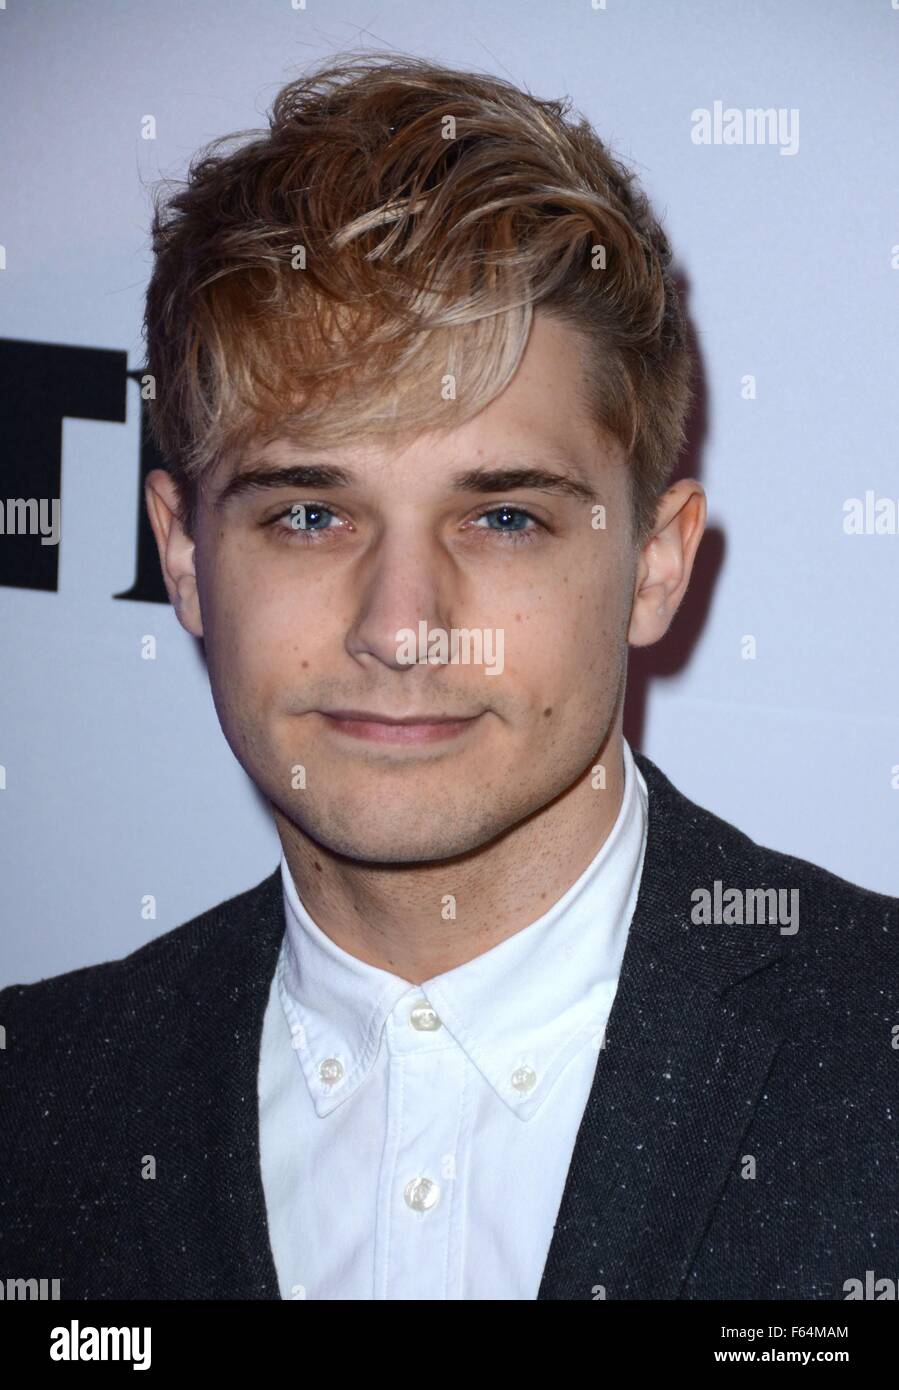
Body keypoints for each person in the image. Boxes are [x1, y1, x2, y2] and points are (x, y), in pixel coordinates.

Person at [2, 52, 896, 1302]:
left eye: (505, 519)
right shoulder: (36, 1097)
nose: (403, 627)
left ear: (652, 564)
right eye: (310, 514)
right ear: (182, 555)